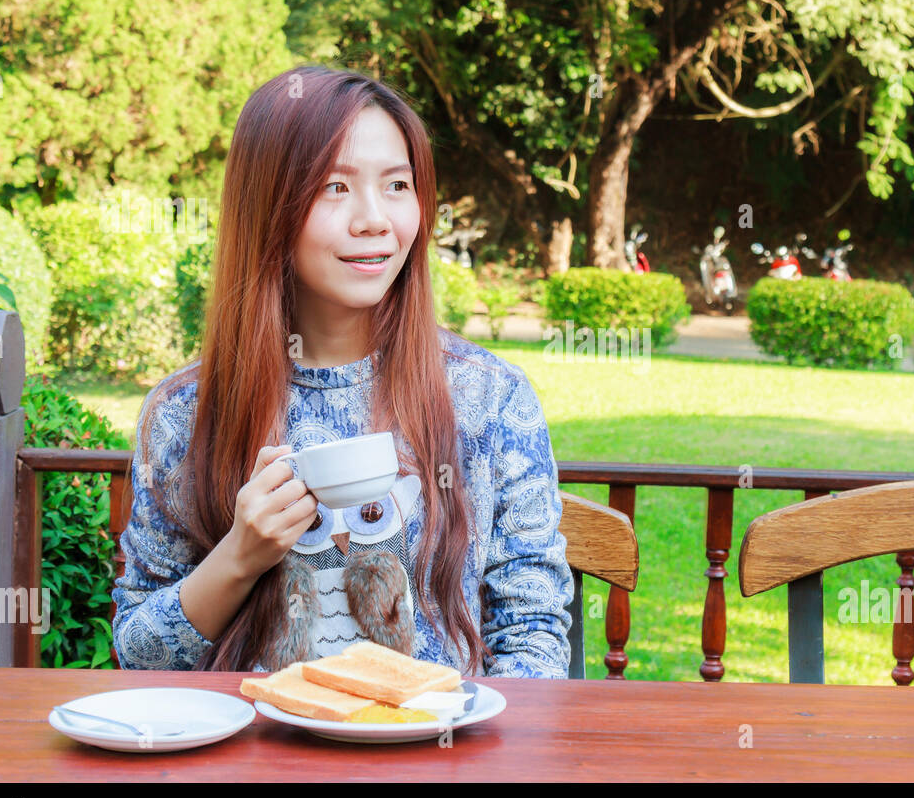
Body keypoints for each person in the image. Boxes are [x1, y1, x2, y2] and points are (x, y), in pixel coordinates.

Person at [111, 65, 573, 677]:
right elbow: (140, 659)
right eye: (335, 187)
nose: (374, 219)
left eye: (398, 185)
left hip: (433, 760)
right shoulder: (184, 414)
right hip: (252, 763)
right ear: (267, 206)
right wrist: (240, 556)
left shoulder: (488, 397)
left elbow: (533, 637)